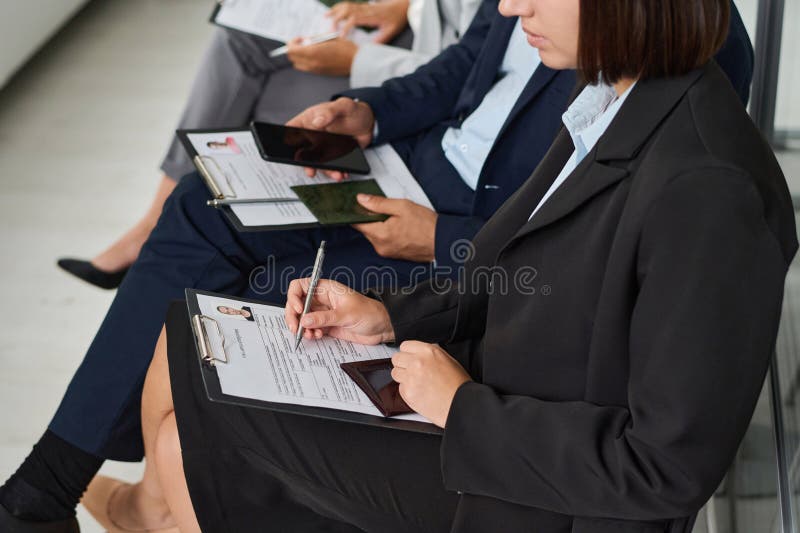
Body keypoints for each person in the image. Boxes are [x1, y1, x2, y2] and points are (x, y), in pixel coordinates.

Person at [0, 1, 754, 531]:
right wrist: (393, 309)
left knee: (205, 360)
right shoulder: (604, 100)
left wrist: (457, 388)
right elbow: (546, 258)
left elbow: (657, 454)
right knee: (203, 234)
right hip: (458, 279)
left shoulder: (693, 174)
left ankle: (139, 505)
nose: (511, 7)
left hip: (505, 425)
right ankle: (76, 487)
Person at [56, 0, 481, 290]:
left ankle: (165, 230)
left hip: (418, 78)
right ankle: (157, 221)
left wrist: (354, 61)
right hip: (413, 45)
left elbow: (472, 67)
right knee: (240, 41)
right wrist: (403, 5)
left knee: (252, 115)